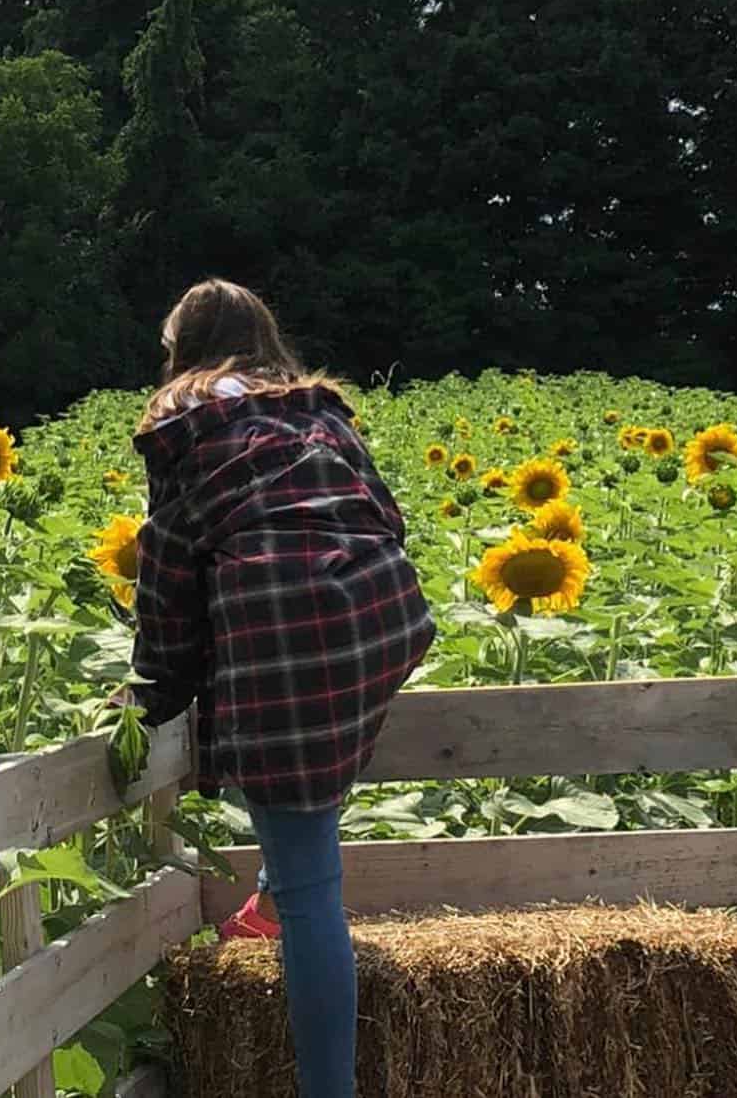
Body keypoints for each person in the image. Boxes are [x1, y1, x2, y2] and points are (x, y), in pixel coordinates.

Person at [128, 279, 435, 1098]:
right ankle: (270, 890)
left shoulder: (183, 426)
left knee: (314, 896)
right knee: (317, 767)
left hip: (288, 627)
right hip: (384, 609)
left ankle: (327, 1089)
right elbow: (387, 516)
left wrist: (154, 692)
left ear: (181, 351)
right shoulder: (315, 411)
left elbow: (169, 569)